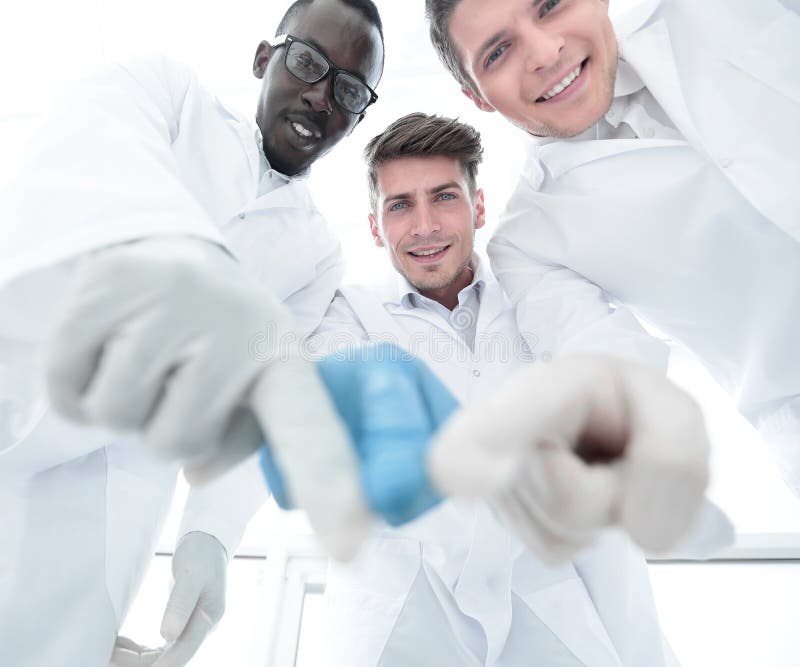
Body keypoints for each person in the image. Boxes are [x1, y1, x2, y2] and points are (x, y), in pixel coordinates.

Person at [0, 1, 385, 665]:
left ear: (359, 117)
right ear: (265, 58)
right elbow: (87, 146)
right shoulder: (170, 94)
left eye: (349, 90)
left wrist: (210, 531)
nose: (322, 97)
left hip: (113, 483)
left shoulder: (319, 254)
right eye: (307, 63)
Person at [303, 111, 709, 666]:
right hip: (404, 601)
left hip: (542, 590)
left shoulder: (536, 290)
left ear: (480, 205)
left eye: (444, 197)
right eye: (400, 205)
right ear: (375, 226)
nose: (424, 226)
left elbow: (620, 374)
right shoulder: (348, 317)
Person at [423, 0, 800, 493]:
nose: (544, 52)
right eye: (498, 53)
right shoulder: (528, 242)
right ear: (478, 97)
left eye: (551, 6)